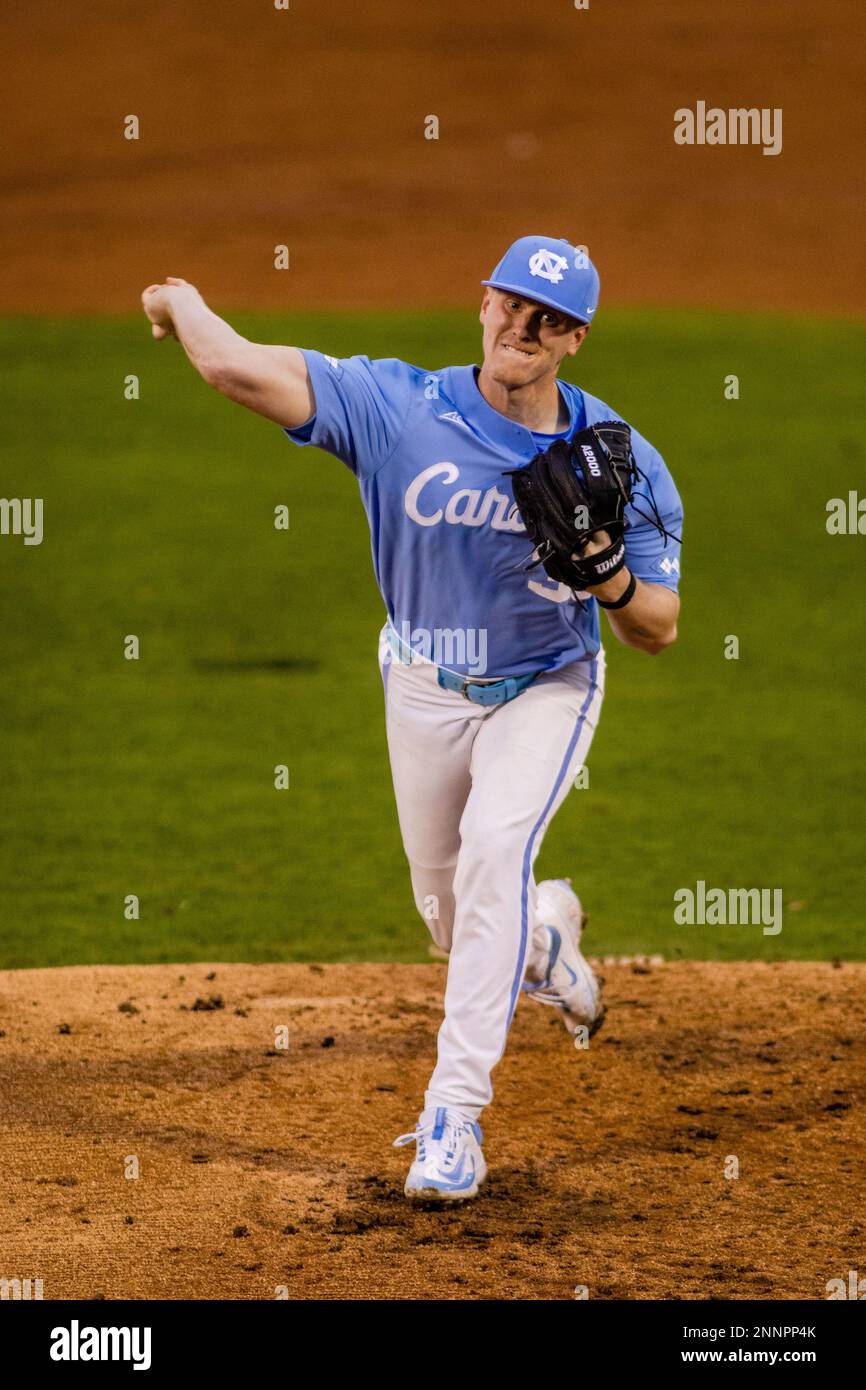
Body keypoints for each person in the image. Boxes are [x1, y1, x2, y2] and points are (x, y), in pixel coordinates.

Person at [141, 234, 683, 1204]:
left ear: (575, 339)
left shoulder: (618, 455)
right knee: (451, 921)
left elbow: (657, 628)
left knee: (491, 854)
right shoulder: (394, 408)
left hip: (545, 685)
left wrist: (606, 573)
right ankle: (542, 938)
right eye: (513, 303)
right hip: (422, 687)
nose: (526, 324)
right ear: (482, 303)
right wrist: (180, 300)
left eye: (549, 317)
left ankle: (453, 1116)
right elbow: (233, 365)